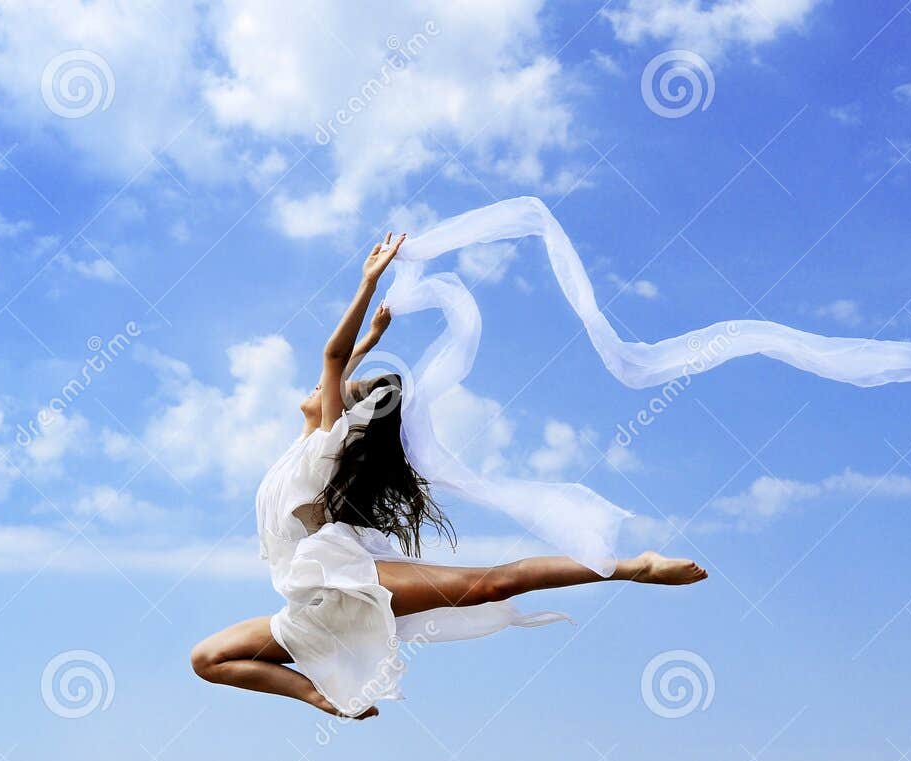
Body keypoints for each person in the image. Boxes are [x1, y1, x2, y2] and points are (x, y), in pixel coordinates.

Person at [190, 233, 705, 719]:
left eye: (342, 388)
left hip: (344, 574)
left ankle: (636, 566)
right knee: (207, 660)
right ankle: (321, 696)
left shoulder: (328, 446)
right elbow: (339, 367)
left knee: (492, 585)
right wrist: (372, 339)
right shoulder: (304, 444)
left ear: (345, 414)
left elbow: (332, 357)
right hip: (311, 599)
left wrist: (368, 282)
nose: (327, 385)